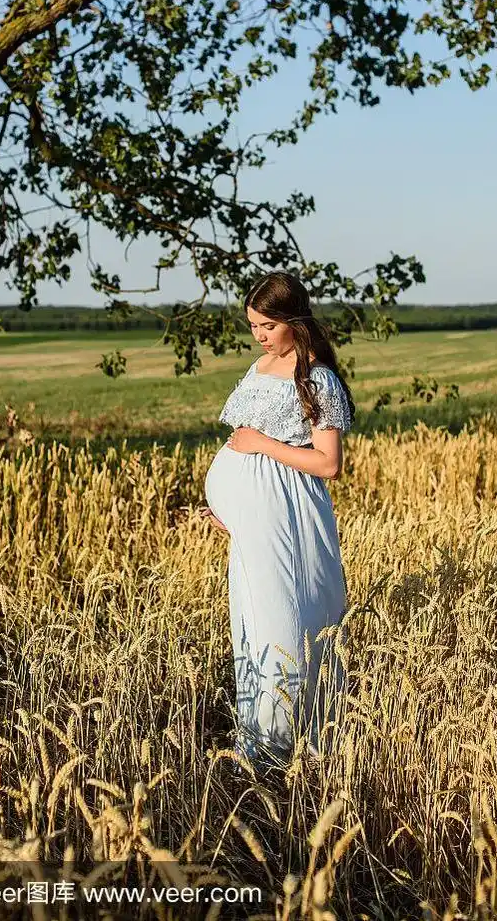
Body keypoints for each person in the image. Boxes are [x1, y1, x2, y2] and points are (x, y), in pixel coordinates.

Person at [203, 271, 354, 773]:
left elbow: (328, 463)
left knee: (283, 619)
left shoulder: (316, 377)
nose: (260, 335)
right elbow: (241, 442)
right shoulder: (261, 365)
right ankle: (261, 738)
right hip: (256, 519)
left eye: (269, 324)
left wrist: (262, 446)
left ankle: (287, 742)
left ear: (295, 320)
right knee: (252, 618)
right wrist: (231, 507)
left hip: (287, 513)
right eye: (252, 325)